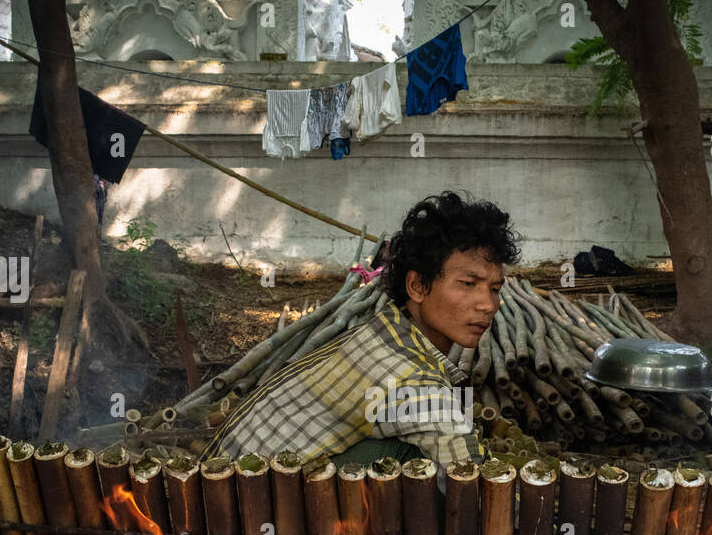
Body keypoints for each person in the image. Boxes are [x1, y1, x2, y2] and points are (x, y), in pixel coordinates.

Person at [203, 191, 520, 469]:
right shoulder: (417, 381)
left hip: (222, 482)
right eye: (468, 284)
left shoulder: (379, 333)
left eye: (494, 288)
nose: (487, 305)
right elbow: (473, 478)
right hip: (251, 507)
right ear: (418, 286)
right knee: (417, 465)